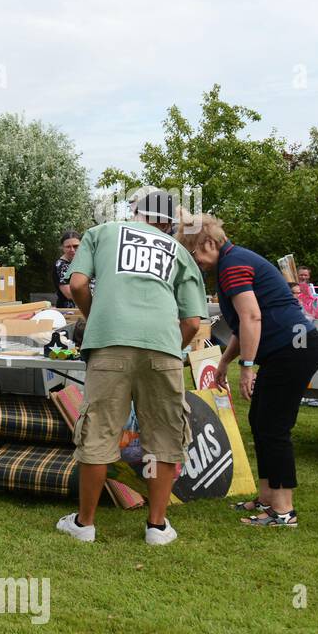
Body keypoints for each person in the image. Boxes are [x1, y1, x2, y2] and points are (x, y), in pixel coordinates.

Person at [57, 189, 208, 546]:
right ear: (169, 222)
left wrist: (96, 320)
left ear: (135, 212)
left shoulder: (102, 232)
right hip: (163, 349)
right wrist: (169, 348)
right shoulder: (180, 253)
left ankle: (85, 524)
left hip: (109, 345)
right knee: (165, 435)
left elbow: (77, 283)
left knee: (98, 431)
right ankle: (156, 526)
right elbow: (191, 322)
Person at [177, 214, 318, 528]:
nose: (196, 262)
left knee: (274, 427)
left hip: (294, 350)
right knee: (260, 421)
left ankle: (283, 512)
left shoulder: (232, 265)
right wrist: (225, 362)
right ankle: (267, 497)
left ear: (208, 242)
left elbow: (252, 319)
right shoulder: (233, 261)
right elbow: (241, 328)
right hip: (289, 350)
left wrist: (246, 368)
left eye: (194, 253)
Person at [54, 231, 81, 308]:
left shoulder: (81, 262)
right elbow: (69, 294)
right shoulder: (61, 266)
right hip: (69, 312)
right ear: (63, 248)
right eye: (68, 247)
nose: (72, 250)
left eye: (76, 246)